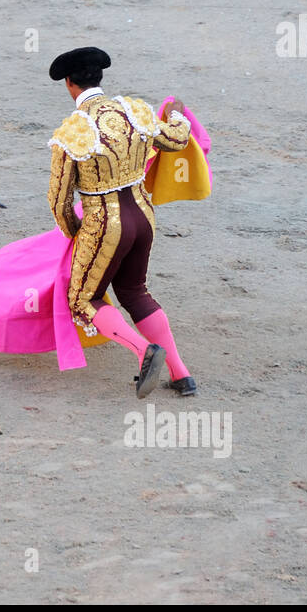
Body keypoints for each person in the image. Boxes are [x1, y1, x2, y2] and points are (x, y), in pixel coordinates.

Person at [46, 47, 198, 397]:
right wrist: (177, 115)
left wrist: (76, 236)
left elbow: (58, 201)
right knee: (134, 291)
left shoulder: (72, 132)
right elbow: (176, 140)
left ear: (69, 84)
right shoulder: (136, 110)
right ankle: (182, 375)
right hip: (144, 216)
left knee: (84, 300)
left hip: (105, 225)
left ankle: (144, 352)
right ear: (99, 77)